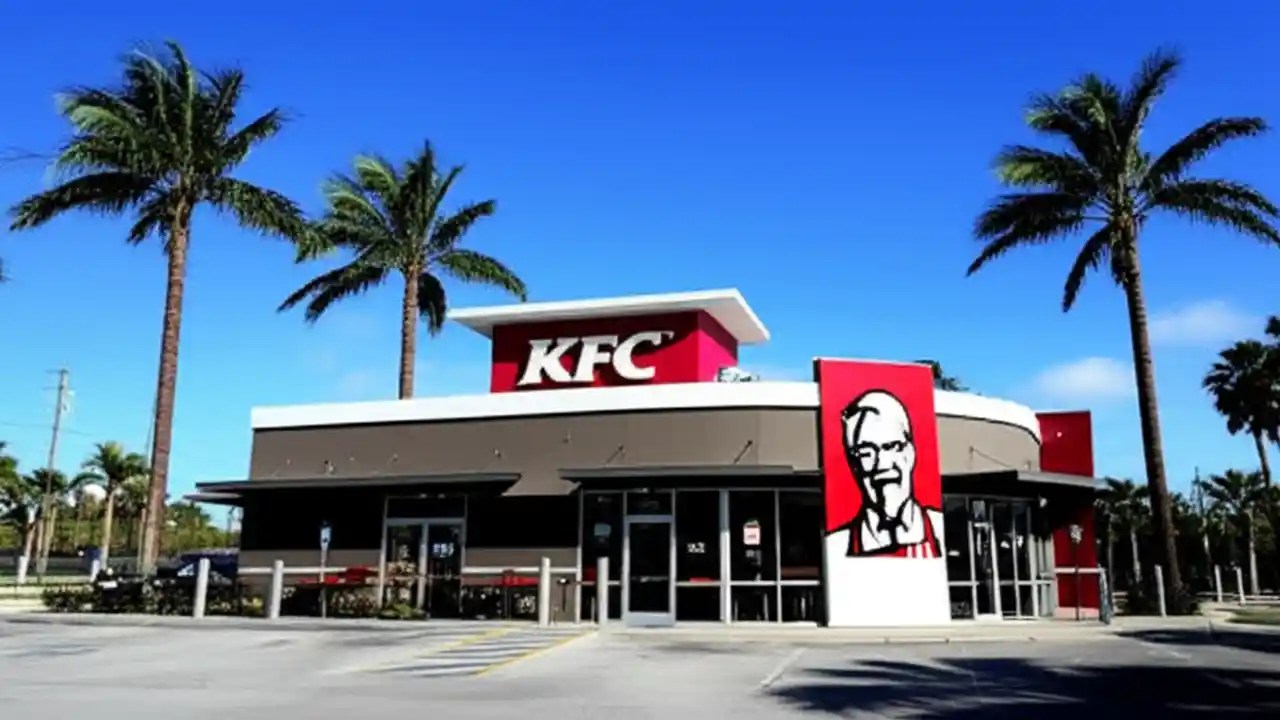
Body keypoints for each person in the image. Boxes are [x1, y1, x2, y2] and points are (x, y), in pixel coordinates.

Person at [830, 389, 943, 558]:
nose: (882, 464)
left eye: (892, 446)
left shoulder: (940, 529)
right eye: (866, 452)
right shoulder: (837, 546)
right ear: (853, 465)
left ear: (910, 453)